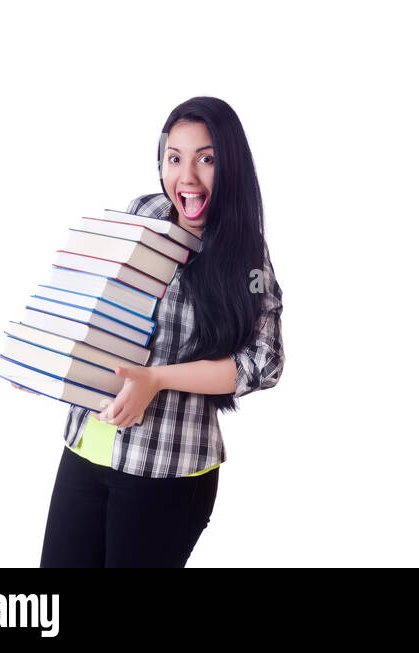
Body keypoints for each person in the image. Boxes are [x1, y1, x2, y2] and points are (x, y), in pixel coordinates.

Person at [35, 96, 284, 567]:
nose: (186, 177)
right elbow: (99, 308)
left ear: (230, 164)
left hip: (167, 464)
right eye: (175, 158)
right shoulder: (141, 214)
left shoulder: (247, 256)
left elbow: (265, 361)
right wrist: (45, 355)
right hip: (88, 443)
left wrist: (159, 378)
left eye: (205, 159)